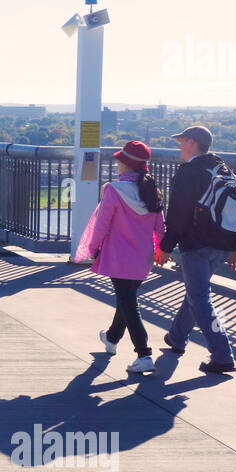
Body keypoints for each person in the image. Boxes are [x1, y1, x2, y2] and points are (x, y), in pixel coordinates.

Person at [158, 125, 236, 374]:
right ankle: (176, 338)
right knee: (196, 293)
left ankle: (222, 355)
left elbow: (177, 214)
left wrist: (166, 247)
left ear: (192, 142)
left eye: (182, 140)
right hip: (221, 244)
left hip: (196, 243)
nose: (178, 145)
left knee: (200, 298)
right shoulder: (221, 168)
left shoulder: (189, 172)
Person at [76, 141, 165, 375]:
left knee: (129, 303)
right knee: (126, 299)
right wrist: (161, 250)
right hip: (142, 258)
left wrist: (92, 249)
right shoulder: (152, 191)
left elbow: (101, 225)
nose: (117, 163)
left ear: (126, 164)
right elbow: (160, 227)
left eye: (119, 160)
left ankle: (144, 354)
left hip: (118, 257)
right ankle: (112, 338)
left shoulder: (114, 191)